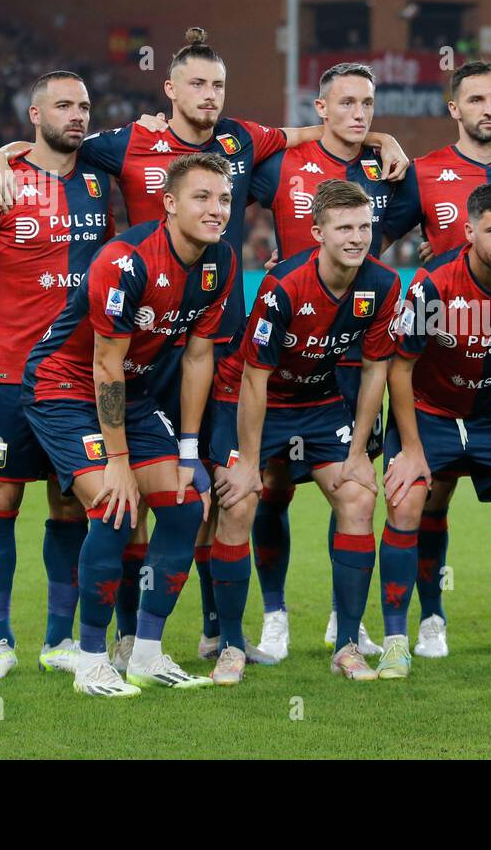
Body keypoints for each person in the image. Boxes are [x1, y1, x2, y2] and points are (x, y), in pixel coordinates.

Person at [0, 30, 410, 669]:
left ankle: (215, 634)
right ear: (170, 90)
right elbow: (56, 144)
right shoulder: (129, 145)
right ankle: (119, 638)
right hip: (137, 347)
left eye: (218, 86)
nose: (209, 97)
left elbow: (314, 136)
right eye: (198, 85)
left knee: (207, 491)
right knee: (138, 503)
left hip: (217, 343)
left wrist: (379, 137)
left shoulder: (240, 142)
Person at [21, 153, 235, 696]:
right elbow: (103, 364)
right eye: (202, 198)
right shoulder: (125, 260)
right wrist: (118, 464)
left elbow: (197, 358)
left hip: (133, 395)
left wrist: (189, 450)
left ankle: (144, 652)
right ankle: (92, 658)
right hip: (66, 386)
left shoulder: (221, 262)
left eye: (225, 199)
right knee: (115, 508)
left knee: (189, 507)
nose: (217, 210)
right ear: (169, 205)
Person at [378, 60, 491, 657]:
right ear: (454, 108)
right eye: (476, 97)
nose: (489, 108)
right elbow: (368, 243)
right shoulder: (424, 175)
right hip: (436, 374)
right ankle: (422, 623)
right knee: (423, 493)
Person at [0, 71, 113, 680]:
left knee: (70, 503)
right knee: (0, 493)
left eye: (85, 105)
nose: (77, 114)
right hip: (11, 374)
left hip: (77, 375)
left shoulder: (98, 181)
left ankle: (58, 640)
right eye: (63, 105)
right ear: (35, 116)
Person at [208, 180, 401, 683]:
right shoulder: (284, 286)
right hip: (253, 398)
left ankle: (347, 646)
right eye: (344, 228)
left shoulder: (382, 283)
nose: (357, 237)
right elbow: (254, 377)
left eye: (364, 226)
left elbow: (376, 368)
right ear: (317, 232)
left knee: (358, 497)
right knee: (240, 501)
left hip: (319, 401)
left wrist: (359, 453)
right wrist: (249, 463)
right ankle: (230, 645)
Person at [242, 61, 400, 661]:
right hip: (288, 340)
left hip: (353, 352)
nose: (360, 114)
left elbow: (438, 215)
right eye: (348, 102)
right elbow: (218, 185)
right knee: (272, 490)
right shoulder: (281, 165)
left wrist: (388, 144)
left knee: (353, 486)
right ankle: (274, 614)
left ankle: (345, 614)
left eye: (368, 104)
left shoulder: (387, 169)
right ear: (322, 108)